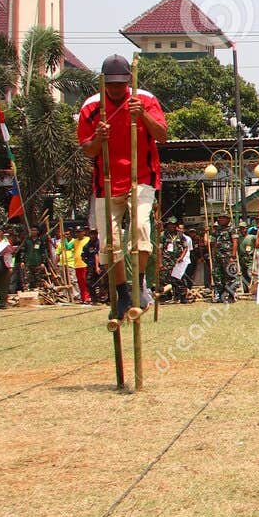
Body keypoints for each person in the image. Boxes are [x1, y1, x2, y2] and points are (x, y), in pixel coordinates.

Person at [77, 55, 168, 322]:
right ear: (104, 82)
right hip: (106, 182)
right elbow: (87, 150)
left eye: (121, 84)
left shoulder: (145, 99)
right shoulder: (92, 106)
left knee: (140, 227)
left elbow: (162, 134)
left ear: (129, 81)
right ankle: (121, 293)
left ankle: (139, 284)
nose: (117, 90)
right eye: (112, 84)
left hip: (141, 177)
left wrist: (142, 115)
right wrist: (98, 138)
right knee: (110, 242)